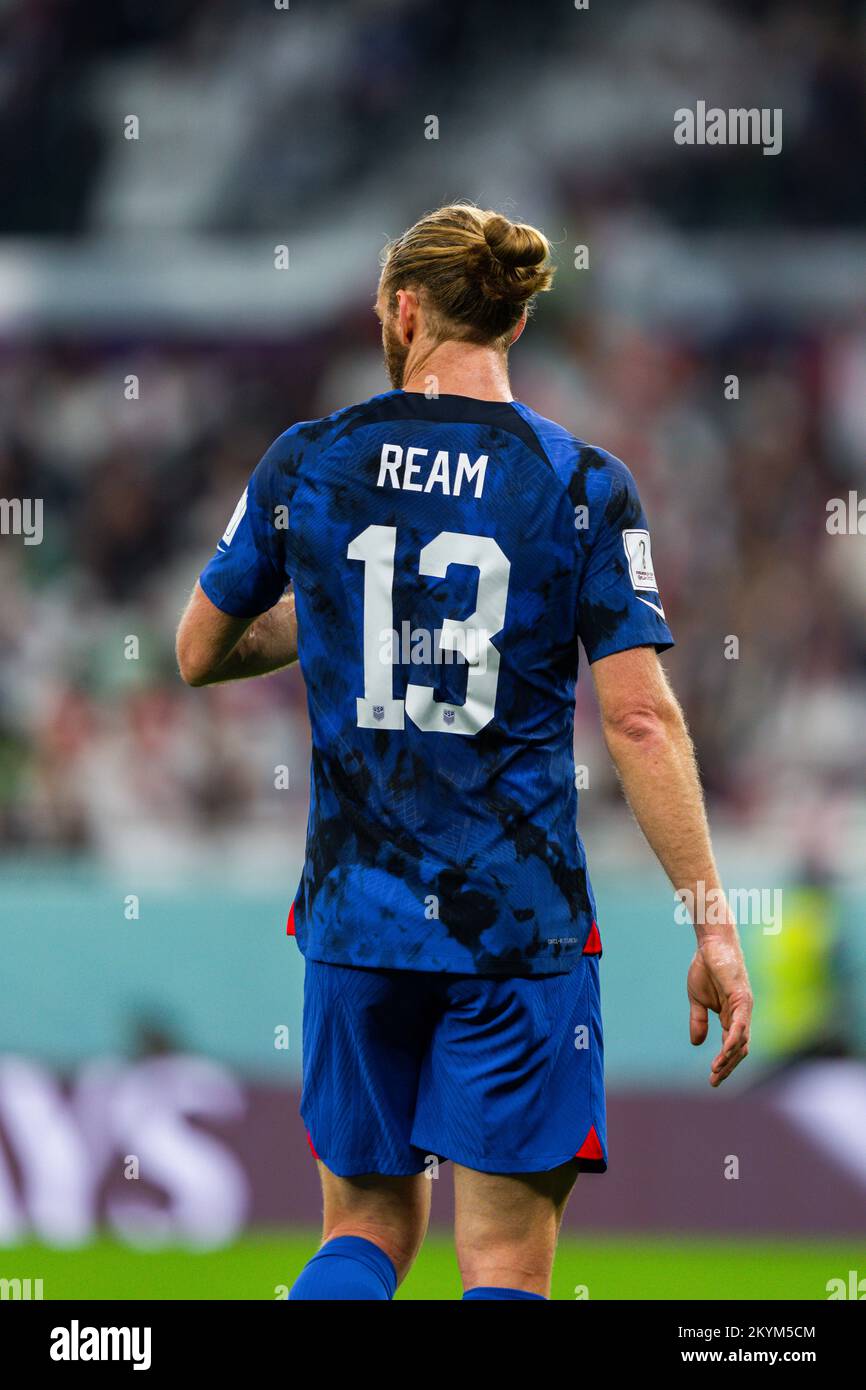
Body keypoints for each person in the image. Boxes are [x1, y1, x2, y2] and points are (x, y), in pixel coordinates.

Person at [176, 204, 752, 1301]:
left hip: (355, 920)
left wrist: (343, 612)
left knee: (363, 1230)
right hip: (516, 929)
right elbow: (638, 720)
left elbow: (200, 648)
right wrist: (712, 926)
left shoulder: (310, 460)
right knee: (497, 1263)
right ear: (515, 321)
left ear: (403, 308)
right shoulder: (579, 484)